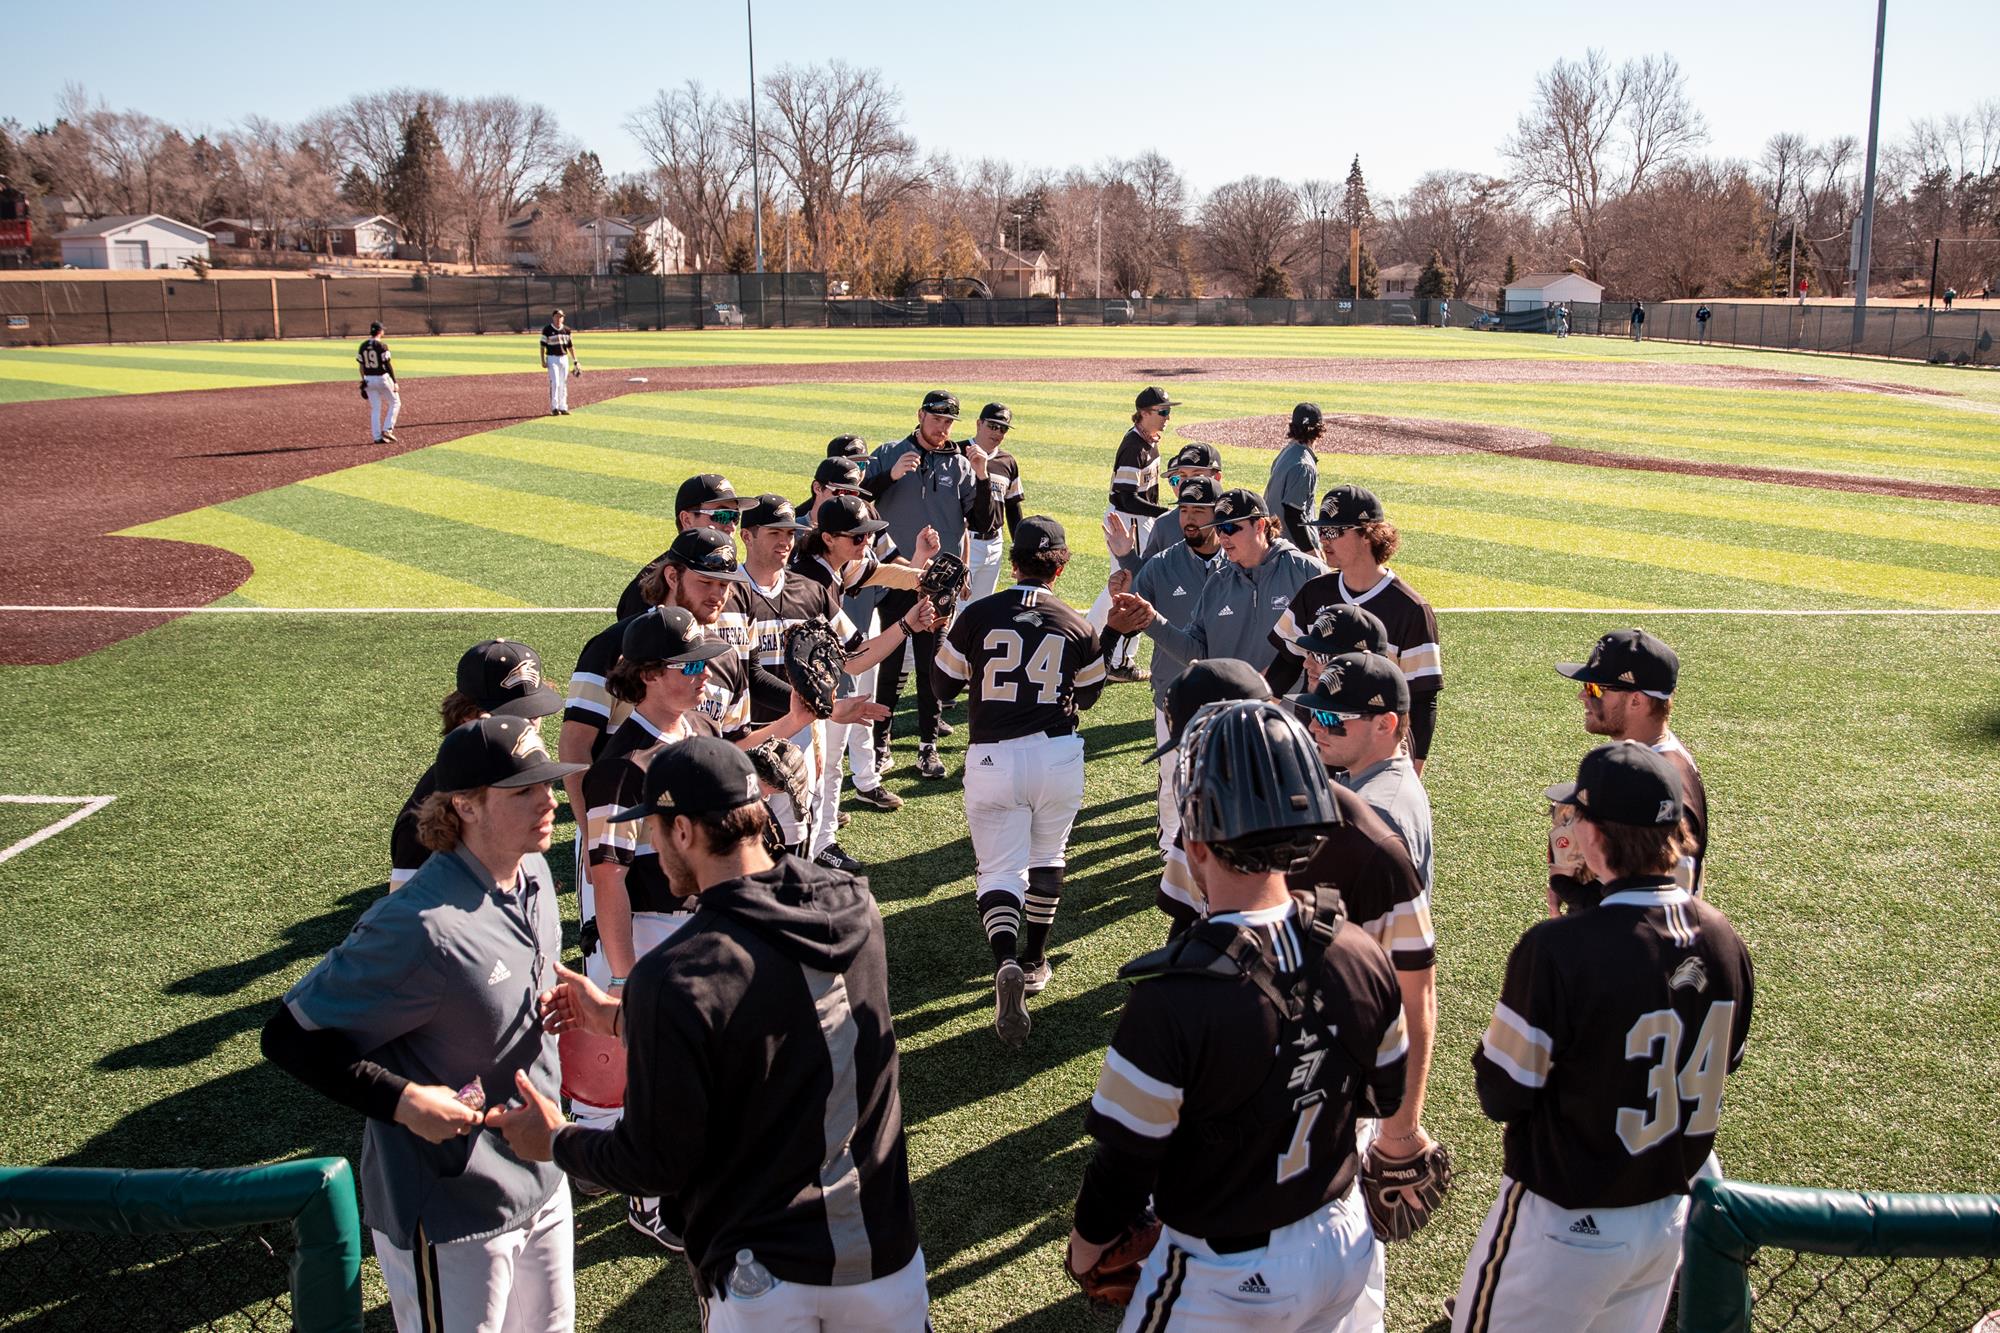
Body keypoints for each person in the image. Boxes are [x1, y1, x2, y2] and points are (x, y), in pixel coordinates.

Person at [487, 738, 929, 1331]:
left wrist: (556, 1140)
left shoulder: (676, 975)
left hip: (763, 1278)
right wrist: (618, 1018)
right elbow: (776, 1023)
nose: (650, 843)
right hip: (885, 1254)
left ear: (683, 831)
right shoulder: (855, 909)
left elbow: (654, 1162)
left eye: (652, 829)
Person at [1067, 700, 1407, 1330]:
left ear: (1196, 845)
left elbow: (1125, 1162)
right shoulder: (1361, 950)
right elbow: (1384, 1095)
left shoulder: (1172, 994)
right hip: (1345, 1242)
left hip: (1226, 1274)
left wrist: (1085, 1251)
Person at [263, 715, 582, 1332]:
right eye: (524, 790)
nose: (549, 801)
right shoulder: (418, 926)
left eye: (548, 783)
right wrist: (402, 1100)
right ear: (465, 805)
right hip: (452, 1211)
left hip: (543, 1176)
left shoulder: (534, 873)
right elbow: (287, 1037)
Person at [1450, 742, 1754, 1333]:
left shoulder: (1558, 949)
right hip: (1666, 1222)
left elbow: (1502, 1092)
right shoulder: (1724, 937)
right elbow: (1723, 1057)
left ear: (1593, 834)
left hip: (1565, 1227)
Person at [578, 605, 825, 1247]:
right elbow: (606, 877)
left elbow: (724, 755)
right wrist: (626, 977)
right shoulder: (619, 766)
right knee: (654, 1078)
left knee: (707, 1068)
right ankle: (646, 1201)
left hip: (696, 923)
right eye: (688, 666)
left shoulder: (695, 724)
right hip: (647, 930)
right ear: (648, 675)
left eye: (702, 663)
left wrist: (794, 722)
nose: (703, 673)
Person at [933, 516, 1108, 1046]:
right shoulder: (1076, 623)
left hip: (993, 758)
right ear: (1061, 567)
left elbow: (942, 687)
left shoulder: (978, 614)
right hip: (1057, 754)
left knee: (999, 871)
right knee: (1048, 856)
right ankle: (1034, 960)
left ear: (1013, 564)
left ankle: (1005, 959)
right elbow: (1090, 695)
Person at [729, 493, 923, 868]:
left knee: (795, 841)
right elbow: (748, 677)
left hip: (800, 736)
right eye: (774, 533)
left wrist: (907, 624)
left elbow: (854, 657)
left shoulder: (809, 591)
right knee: (739, 843)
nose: (785, 541)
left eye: (790, 533)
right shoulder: (728, 594)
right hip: (744, 734)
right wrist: (827, 708)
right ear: (747, 536)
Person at [860, 389, 997, 780]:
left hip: (939, 584)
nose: (942, 428)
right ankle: (881, 744)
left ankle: (927, 747)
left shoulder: (962, 464)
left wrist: (982, 475)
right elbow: (859, 503)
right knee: (888, 665)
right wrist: (889, 476)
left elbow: (984, 523)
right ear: (920, 415)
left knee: (930, 667)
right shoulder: (889, 453)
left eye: (949, 421)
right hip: (894, 576)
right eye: (937, 419)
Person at [1108, 476, 1223, 902]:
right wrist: (1121, 598)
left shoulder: (1238, 562)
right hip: (1173, 688)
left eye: (1199, 512)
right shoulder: (1163, 563)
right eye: (1185, 511)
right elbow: (1128, 617)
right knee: (1173, 773)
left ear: (1218, 516)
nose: (1189, 519)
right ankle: (1171, 852)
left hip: (1228, 692)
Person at [1273, 484, 1443, 772]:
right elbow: (1287, 663)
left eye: (1334, 531)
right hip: (1314, 741)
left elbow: (1423, 699)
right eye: (1322, 531)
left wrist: (1414, 771)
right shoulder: (1314, 592)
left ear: (1368, 534)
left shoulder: (1411, 610)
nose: (1323, 539)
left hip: (1370, 754)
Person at [391, 639, 563, 891]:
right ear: (468, 718)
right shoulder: (424, 817)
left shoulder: (515, 776)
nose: (528, 728)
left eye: (534, 714)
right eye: (516, 717)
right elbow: (405, 908)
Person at [1555, 629, 1708, 902]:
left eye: (1595, 689)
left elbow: (1666, 901)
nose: (1582, 696)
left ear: (1637, 700)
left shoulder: (1661, 787)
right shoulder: (1651, 760)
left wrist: (1578, 900)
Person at [1106, 488, 1323, 675]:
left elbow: (1332, 643)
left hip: (1293, 709)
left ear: (1259, 525)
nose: (1223, 537)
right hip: (1230, 706)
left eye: (1230, 528)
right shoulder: (1217, 584)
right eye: (1219, 528)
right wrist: (1152, 621)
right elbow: (1198, 653)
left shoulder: (1307, 572)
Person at [1143, 658, 1271, 938]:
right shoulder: (1202, 808)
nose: (1191, 758)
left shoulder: (1324, 812)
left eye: (1196, 745)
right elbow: (1183, 916)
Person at [1089, 387, 1181, 682]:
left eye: (1168, 411)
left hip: (1136, 519)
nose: (1167, 417)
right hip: (1130, 521)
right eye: (1162, 411)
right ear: (1143, 413)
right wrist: (1164, 513)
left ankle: (1088, 646)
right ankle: (1118, 661)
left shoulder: (1148, 441)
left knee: (1118, 586)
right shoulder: (1134, 447)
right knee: (1135, 586)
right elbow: (1126, 497)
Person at [614, 474, 742, 620]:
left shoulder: (736, 578)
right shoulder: (647, 587)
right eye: (722, 516)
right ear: (686, 520)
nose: (731, 526)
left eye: (735, 517)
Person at [961, 402, 1026, 608]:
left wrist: (1019, 549)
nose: (997, 432)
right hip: (965, 543)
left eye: (1003, 429)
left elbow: (1013, 508)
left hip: (995, 545)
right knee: (957, 607)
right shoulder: (958, 453)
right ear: (979, 423)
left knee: (982, 608)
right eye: (992, 426)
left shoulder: (1008, 462)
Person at [1266, 403, 1324, 552]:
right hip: (1292, 550)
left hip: (1274, 542)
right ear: (1319, 431)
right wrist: (1311, 552)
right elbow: (1293, 514)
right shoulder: (1304, 465)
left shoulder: (1286, 452)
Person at [357, 320, 398, 445]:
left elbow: (361, 367)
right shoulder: (382, 346)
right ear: (380, 331)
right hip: (382, 378)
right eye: (383, 329)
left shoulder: (363, 346)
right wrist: (395, 381)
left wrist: (364, 380)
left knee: (375, 408)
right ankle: (388, 429)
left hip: (369, 379)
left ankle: (377, 437)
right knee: (395, 402)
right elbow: (388, 365)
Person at [540, 309, 578, 415]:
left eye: (561, 316)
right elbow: (542, 346)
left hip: (564, 358)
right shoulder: (547, 329)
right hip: (552, 358)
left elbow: (570, 347)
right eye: (557, 316)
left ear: (563, 318)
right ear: (553, 317)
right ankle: (554, 408)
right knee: (555, 382)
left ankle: (563, 407)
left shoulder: (567, 330)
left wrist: (575, 361)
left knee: (563, 383)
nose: (558, 318)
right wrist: (543, 360)